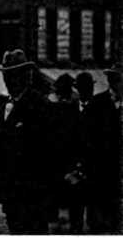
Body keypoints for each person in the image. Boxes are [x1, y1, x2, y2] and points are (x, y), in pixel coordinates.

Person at [0, 49, 54, 234]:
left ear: (25, 76)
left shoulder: (39, 105)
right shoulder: (5, 107)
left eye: (13, 75)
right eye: (6, 75)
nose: (8, 81)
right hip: (10, 192)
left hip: (32, 192)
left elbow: (48, 149)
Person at [77, 66, 123, 232]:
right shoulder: (97, 105)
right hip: (100, 180)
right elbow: (85, 140)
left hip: (118, 181)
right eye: (116, 79)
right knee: (99, 226)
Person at [47, 73, 82, 232]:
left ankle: (57, 218)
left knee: (57, 186)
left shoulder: (52, 104)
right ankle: (70, 222)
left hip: (58, 152)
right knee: (68, 188)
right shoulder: (72, 105)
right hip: (66, 152)